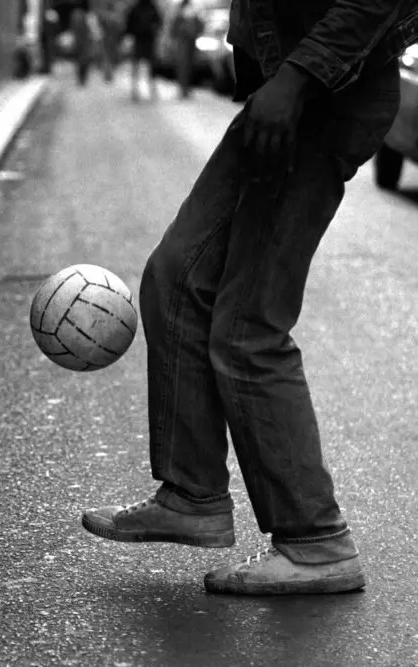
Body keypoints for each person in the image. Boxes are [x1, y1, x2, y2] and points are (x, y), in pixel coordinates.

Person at [80, 0, 418, 595]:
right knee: (175, 278)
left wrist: (296, 79)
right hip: (284, 89)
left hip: (323, 94)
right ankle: (192, 495)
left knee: (248, 327)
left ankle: (316, 541)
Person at [124, 0, 162, 101]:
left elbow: (158, 22)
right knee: (138, 66)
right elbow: (129, 24)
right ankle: (136, 90)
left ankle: (150, 90)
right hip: (140, 40)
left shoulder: (149, 7)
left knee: (150, 66)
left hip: (148, 40)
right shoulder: (139, 8)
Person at [170, 0, 204, 98]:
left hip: (189, 43)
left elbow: (199, 27)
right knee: (184, 67)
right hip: (184, 43)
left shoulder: (190, 12)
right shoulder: (183, 13)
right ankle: (183, 89)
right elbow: (174, 29)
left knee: (187, 67)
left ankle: (185, 89)